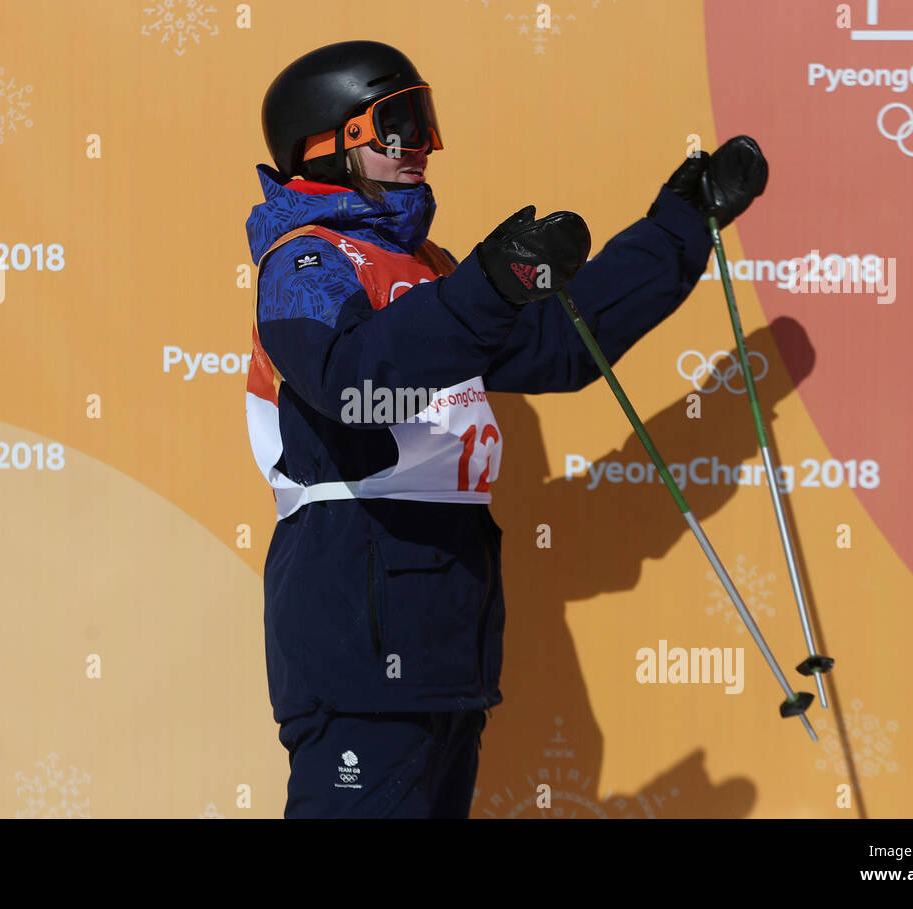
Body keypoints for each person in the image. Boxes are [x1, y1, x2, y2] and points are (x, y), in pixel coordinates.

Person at [244, 39, 768, 818]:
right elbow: (356, 383)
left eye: (424, 119)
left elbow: (562, 347)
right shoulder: (306, 265)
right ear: (328, 144)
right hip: (358, 626)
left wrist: (681, 227)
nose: (420, 144)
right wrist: (489, 286)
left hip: (445, 634)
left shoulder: (424, 267)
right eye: (396, 123)